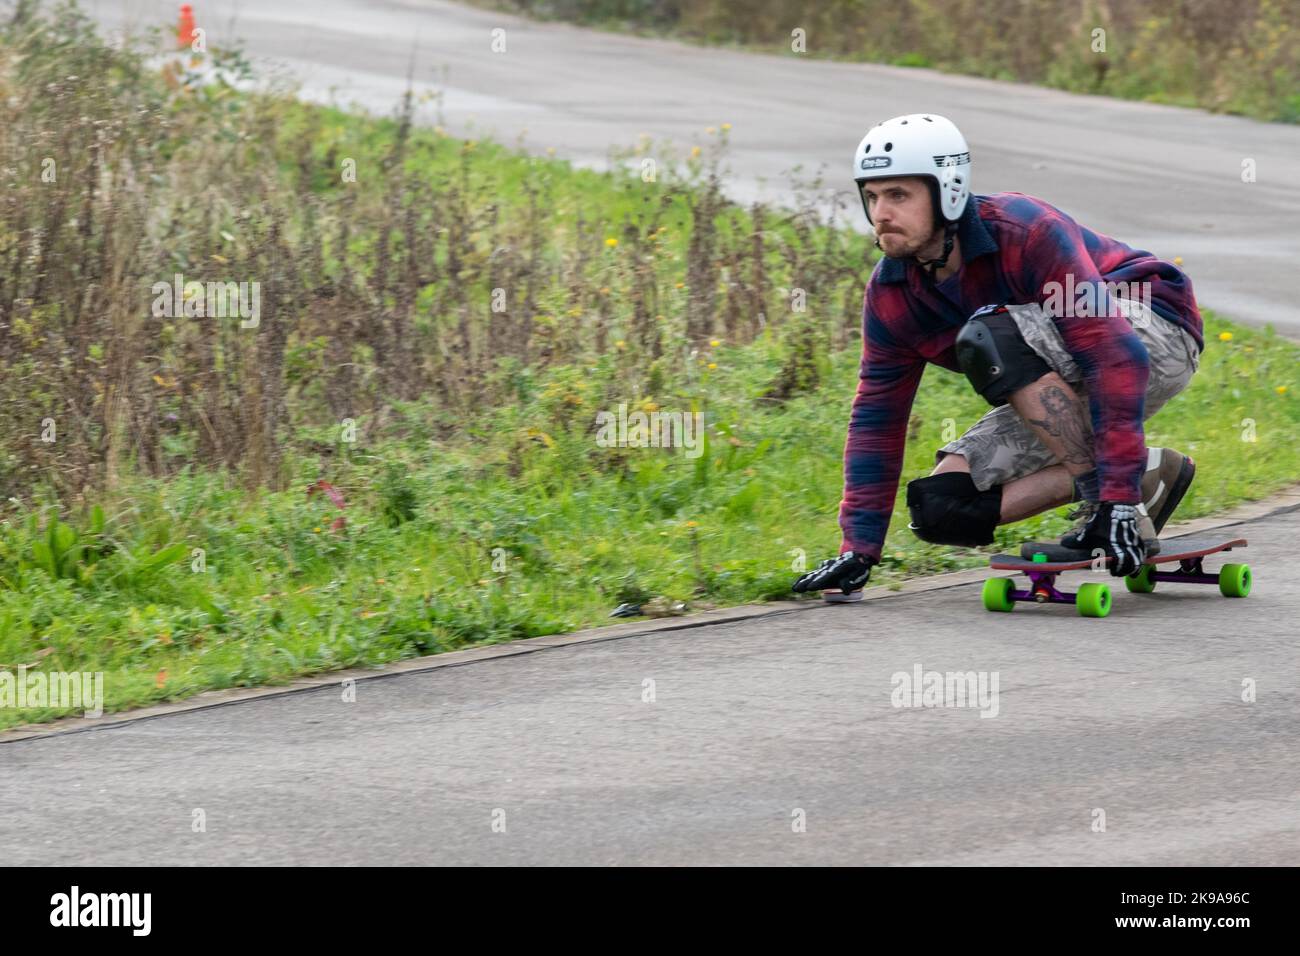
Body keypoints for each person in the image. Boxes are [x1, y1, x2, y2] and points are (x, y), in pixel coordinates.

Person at [793, 113, 1202, 599]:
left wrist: (1111, 499)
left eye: (898, 195)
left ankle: (1112, 501)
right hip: (1057, 374)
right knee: (942, 507)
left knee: (991, 332)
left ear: (948, 190)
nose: (881, 213)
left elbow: (1114, 354)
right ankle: (1148, 473)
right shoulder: (891, 295)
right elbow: (877, 418)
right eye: (872, 197)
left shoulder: (1024, 231)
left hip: (1153, 328)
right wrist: (858, 548)